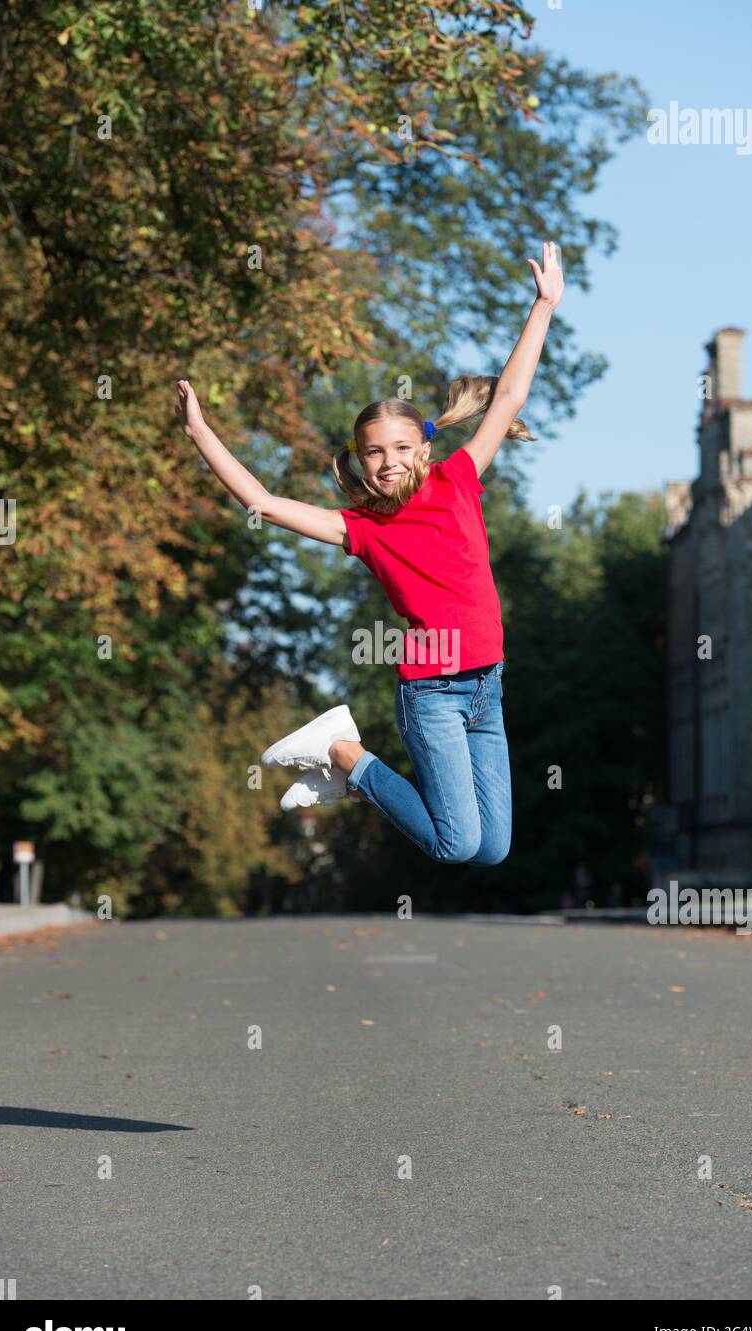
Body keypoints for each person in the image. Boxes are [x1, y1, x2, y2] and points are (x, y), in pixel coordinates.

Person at [175, 241, 565, 865]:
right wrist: (200, 431)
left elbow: (511, 395)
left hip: (487, 685)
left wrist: (543, 304)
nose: (389, 462)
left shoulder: (460, 477)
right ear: (361, 460)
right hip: (432, 692)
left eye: (402, 448)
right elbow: (266, 503)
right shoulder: (362, 526)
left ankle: (347, 772)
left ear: (425, 450)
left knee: (491, 850)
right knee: (454, 842)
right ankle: (342, 750)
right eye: (375, 452)